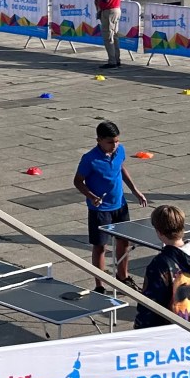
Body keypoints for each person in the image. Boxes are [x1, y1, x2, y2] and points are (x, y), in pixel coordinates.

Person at [75, 119, 151, 284]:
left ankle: (123, 277)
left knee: (124, 242)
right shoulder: (89, 159)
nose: (115, 145)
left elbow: (121, 168)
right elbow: (78, 181)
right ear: (99, 140)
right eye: (110, 142)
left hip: (120, 205)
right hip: (100, 210)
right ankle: (100, 284)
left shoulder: (120, 150)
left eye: (117, 141)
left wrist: (135, 190)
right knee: (100, 246)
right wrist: (92, 197)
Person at [133, 205, 190, 329]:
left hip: (168, 331)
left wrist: (140, 327)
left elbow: (150, 304)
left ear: (159, 232)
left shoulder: (160, 264)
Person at [89, 0, 124, 67]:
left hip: (109, 11)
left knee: (108, 37)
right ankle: (116, 59)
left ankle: (112, 61)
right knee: (114, 36)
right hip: (115, 9)